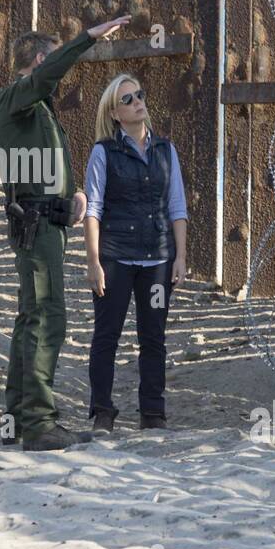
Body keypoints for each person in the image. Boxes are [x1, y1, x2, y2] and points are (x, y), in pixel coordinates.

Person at [0, 14, 130, 452]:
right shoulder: (17, 97)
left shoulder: (35, 109)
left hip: (47, 221)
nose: (58, 72)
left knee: (30, 319)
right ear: (38, 60)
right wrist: (85, 40)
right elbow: (49, 74)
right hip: (34, 227)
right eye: (51, 61)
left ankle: (16, 420)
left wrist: (71, 195)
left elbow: (42, 163)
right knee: (47, 318)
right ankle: (38, 421)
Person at [83, 74, 188, 433]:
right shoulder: (104, 152)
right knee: (107, 334)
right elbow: (93, 208)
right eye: (127, 99)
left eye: (139, 95)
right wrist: (93, 261)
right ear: (114, 113)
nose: (137, 102)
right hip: (115, 257)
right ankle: (102, 410)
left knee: (153, 336)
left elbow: (177, 205)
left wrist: (181, 256)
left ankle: (153, 413)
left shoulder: (165, 150)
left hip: (157, 259)